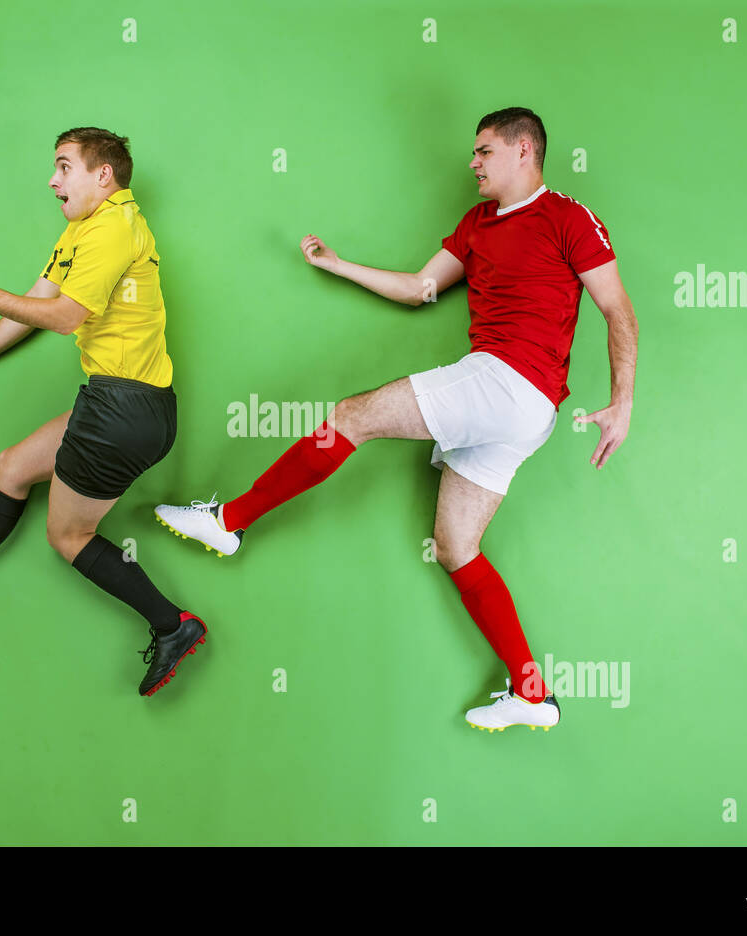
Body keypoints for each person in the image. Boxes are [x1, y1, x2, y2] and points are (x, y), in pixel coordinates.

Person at [154, 107, 637, 730]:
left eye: (484, 151)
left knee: (351, 415)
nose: (473, 162)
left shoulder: (568, 217)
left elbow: (617, 308)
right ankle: (533, 695)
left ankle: (230, 520)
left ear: (524, 151)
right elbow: (419, 289)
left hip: (509, 379)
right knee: (457, 546)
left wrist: (622, 402)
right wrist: (338, 264)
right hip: (520, 413)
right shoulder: (477, 223)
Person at [0, 127, 207, 697]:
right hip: (114, 403)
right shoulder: (81, 231)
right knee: (13, 467)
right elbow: (39, 300)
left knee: (69, 536)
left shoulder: (116, 227)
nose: (52, 179)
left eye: (64, 166)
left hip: (123, 409)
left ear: (103, 174)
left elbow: (67, 316)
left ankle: (174, 626)